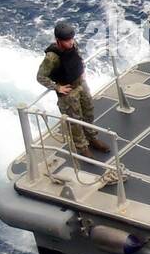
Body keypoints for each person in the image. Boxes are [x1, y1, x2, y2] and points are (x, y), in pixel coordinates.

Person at [36, 20, 109, 154]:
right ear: (58, 40)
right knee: (75, 121)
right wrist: (57, 87)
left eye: (71, 39)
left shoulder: (73, 45)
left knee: (89, 111)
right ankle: (82, 147)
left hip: (81, 85)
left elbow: (78, 58)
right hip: (68, 92)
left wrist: (81, 71)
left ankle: (92, 137)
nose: (70, 42)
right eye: (66, 40)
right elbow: (40, 77)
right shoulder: (51, 57)